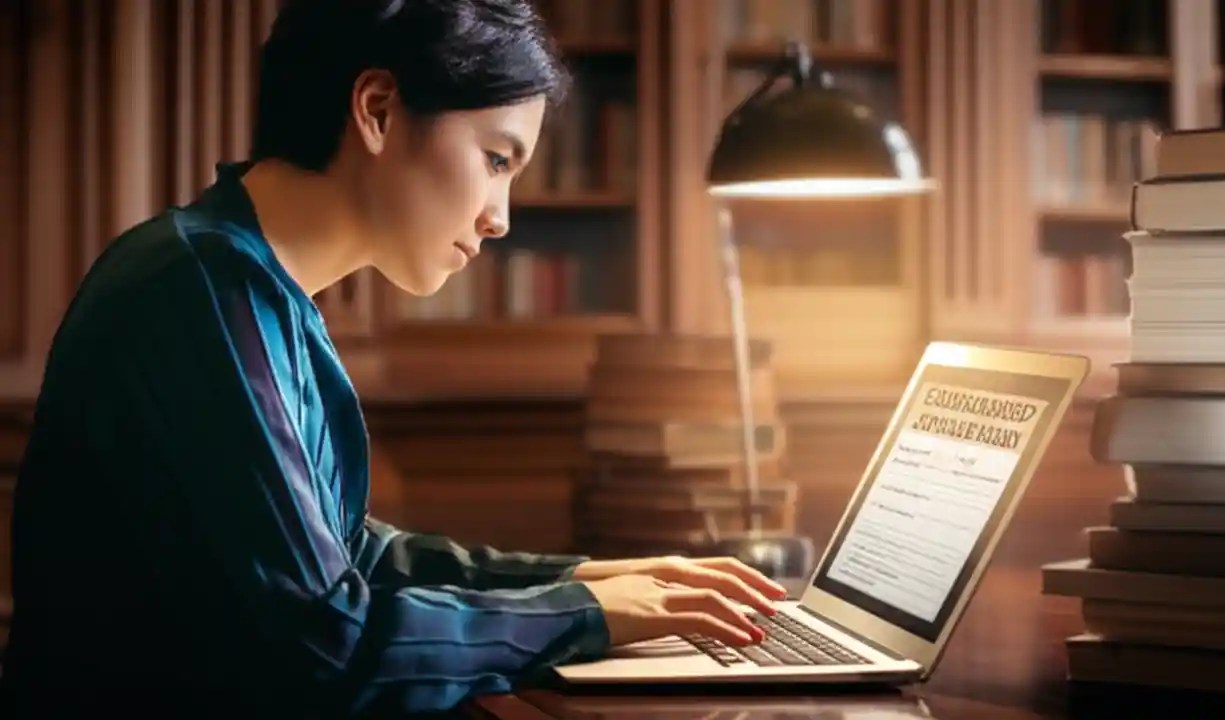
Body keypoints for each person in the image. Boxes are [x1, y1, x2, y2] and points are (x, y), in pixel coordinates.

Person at [0, 0, 786, 716]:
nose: (500, 218)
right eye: (497, 160)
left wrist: (582, 579)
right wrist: (585, 615)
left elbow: (346, 555)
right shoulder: (201, 291)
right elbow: (327, 644)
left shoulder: (242, 283)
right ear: (377, 110)